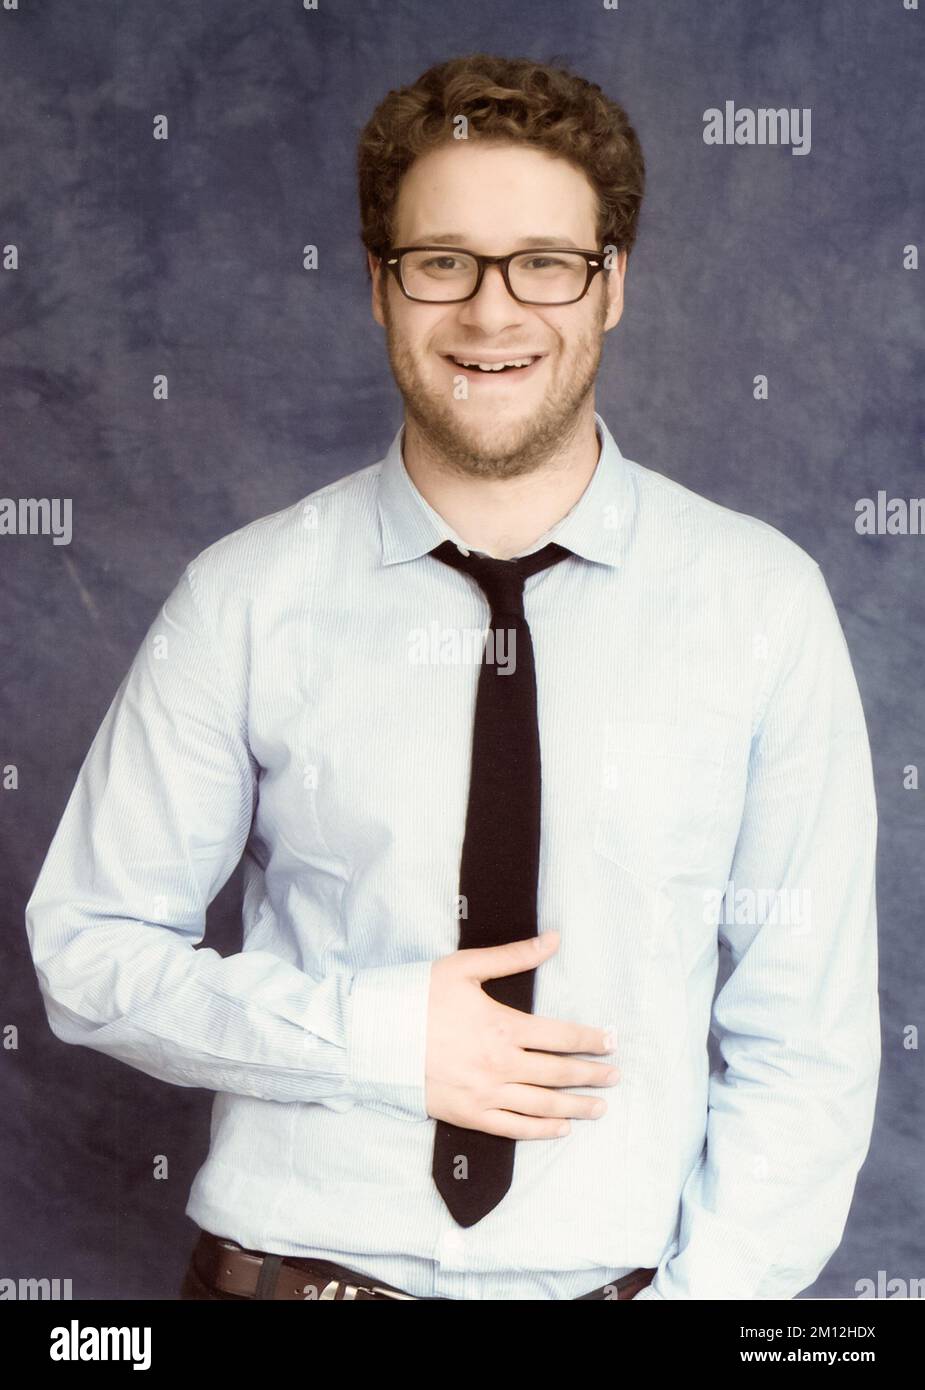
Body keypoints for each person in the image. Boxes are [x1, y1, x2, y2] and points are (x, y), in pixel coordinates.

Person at [24, 53, 880, 1302]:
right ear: (380, 288)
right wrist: (379, 1036)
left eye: (545, 262)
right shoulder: (248, 595)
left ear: (612, 287)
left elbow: (803, 1040)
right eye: (443, 264)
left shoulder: (761, 604)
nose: (492, 313)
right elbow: (87, 951)